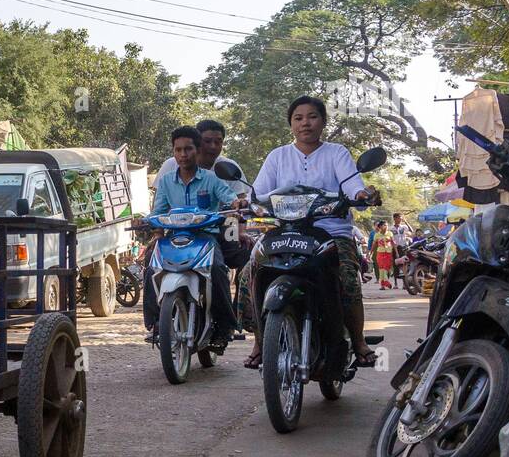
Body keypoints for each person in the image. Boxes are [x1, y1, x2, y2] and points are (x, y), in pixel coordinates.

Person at [243, 96, 379, 370]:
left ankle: (358, 339)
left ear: (323, 121)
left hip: (330, 232)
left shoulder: (337, 153)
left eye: (312, 116)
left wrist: (362, 194)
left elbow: (353, 185)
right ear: (291, 124)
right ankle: (259, 340)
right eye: (298, 118)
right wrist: (244, 202)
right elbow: (257, 193)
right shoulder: (277, 156)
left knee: (346, 275)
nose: (306, 122)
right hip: (284, 230)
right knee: (250, 272)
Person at [141, 126, 242, 350]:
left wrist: (236, 204)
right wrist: (155, 231)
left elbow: (229, 197)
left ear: (197, 150)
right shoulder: (166, 181)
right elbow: (158, 210)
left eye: (188, 149)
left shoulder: (212, 179)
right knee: (150, 265)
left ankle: (225, 326)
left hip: (206, 238)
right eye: (178, 150)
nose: (183, 155)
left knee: (217, 269)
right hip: (173, 238)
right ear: (173, 152)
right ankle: (156, 323)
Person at [375, 222, 395, 290]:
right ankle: (383, 284)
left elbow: (393, 243)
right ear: (380, 227)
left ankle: (385, 282)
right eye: (384, 225)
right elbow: (373, 245)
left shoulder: (390, 233)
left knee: (386, 268)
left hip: (388, 252)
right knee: (381, 268)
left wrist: (397, 252)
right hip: (380, 253)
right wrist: (369, 253)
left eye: (387, 225)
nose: (386, 226)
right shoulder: (377, 235)